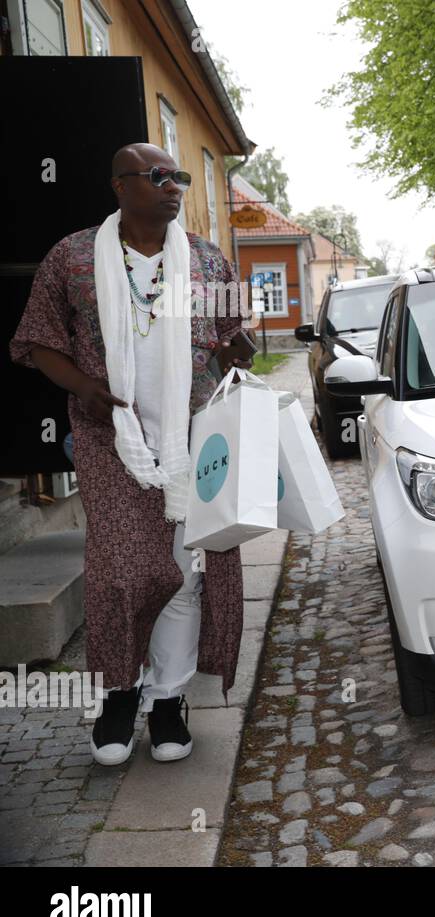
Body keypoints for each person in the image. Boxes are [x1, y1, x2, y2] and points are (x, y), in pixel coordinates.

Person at [9, 142, 254, 766]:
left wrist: (238, 348)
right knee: (124, 572)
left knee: (184, 571)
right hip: (109, 439)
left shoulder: (204, 258)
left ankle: (169, 699)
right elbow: (38, 342)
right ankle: (121, 693)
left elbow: (229, 338)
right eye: (158, 176)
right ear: (121, 186)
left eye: (180, 176)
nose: (173, 185)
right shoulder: (72, 257)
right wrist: (85, 388)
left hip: (195, 439)